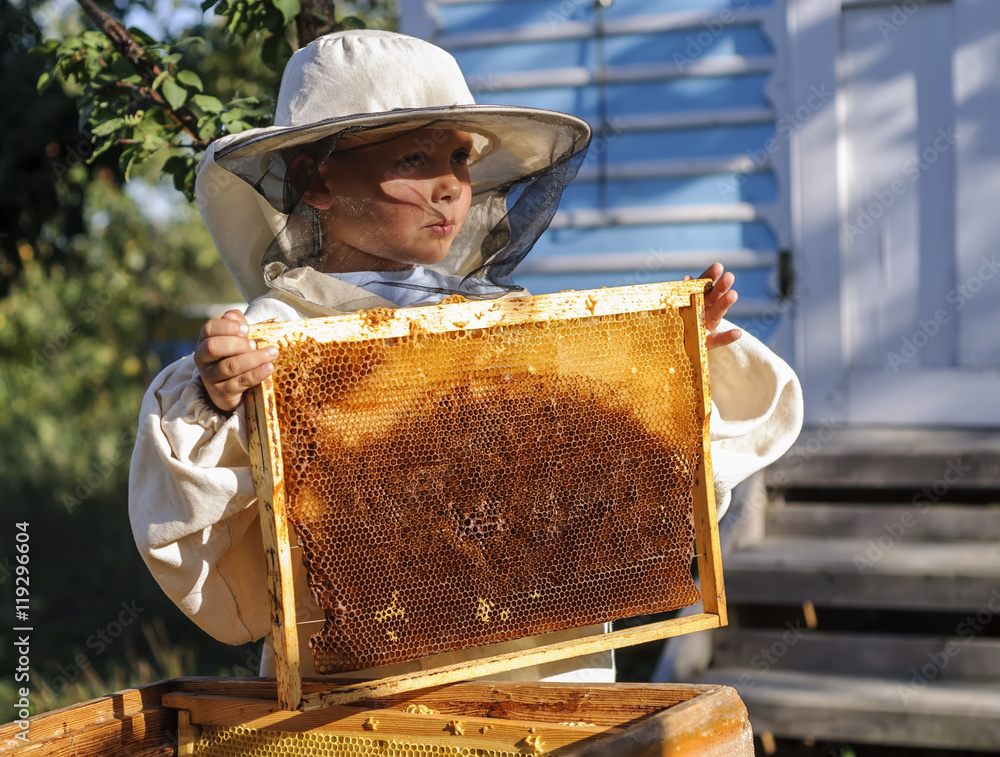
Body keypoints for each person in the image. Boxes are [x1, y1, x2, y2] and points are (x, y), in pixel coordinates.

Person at [129, 29, 803, 684]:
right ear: (315, 181)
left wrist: (672, 375)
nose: (452, 186)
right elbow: (209, 557)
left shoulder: (510, 330)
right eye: (416, 161)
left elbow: (636, 493)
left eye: (459, 159)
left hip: (550, 677)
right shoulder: (274, 337)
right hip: (370, 702)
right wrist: (218, 398)